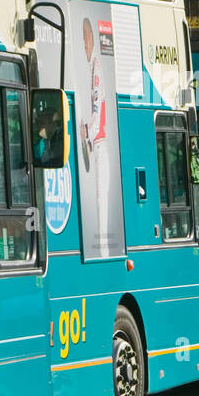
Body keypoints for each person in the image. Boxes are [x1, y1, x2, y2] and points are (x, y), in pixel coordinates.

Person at [81, 18, 112, 255]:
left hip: (100, 147)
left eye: (86, 38)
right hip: (98, 146)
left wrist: (87, 133)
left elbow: (97, 109)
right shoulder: (92, 69)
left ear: (92, 38)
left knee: (101, 204)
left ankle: (103, 254)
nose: (84, 44)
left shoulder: (96, 70)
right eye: (82, 39)